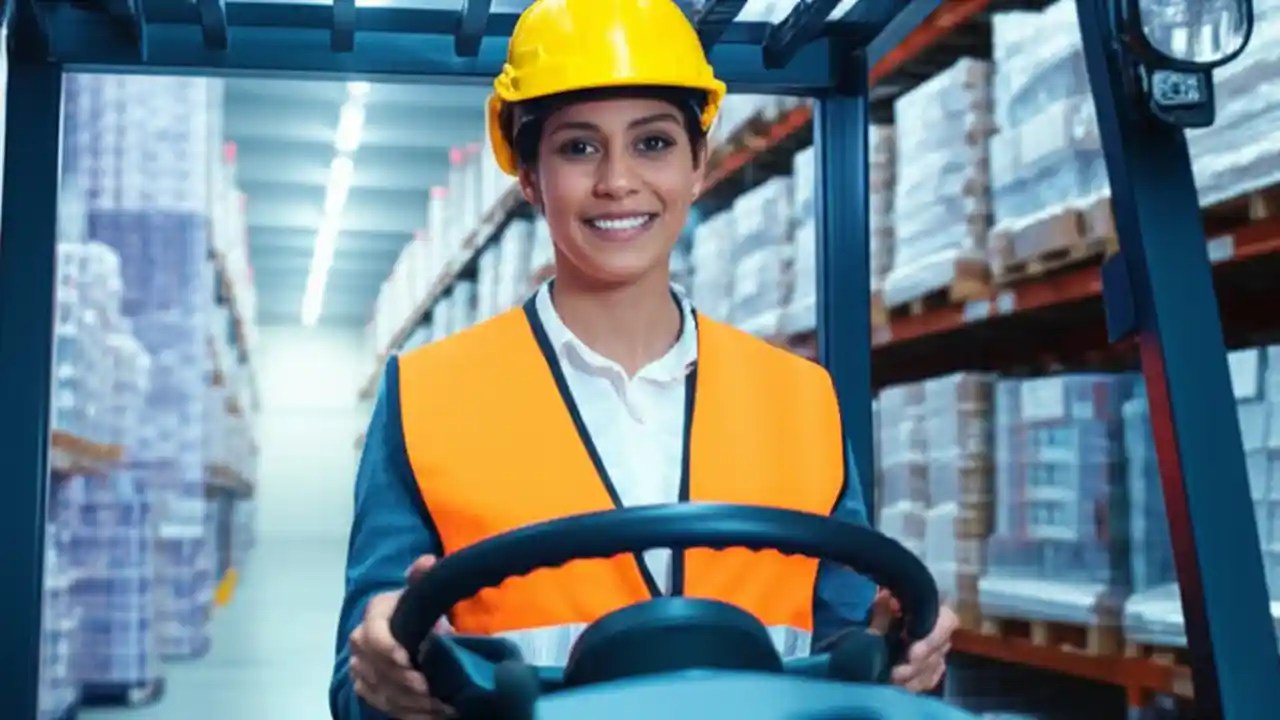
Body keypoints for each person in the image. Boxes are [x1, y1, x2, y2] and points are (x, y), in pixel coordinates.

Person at [330, 1, 958, 717]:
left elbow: (847, 646)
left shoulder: (800, 397)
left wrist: (905, 651)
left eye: (653, 143)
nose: (618, 181)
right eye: (578, 147)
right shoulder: (425, 394)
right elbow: (355, 685)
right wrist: (384, 673)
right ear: (530, 178)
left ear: (698, 165)